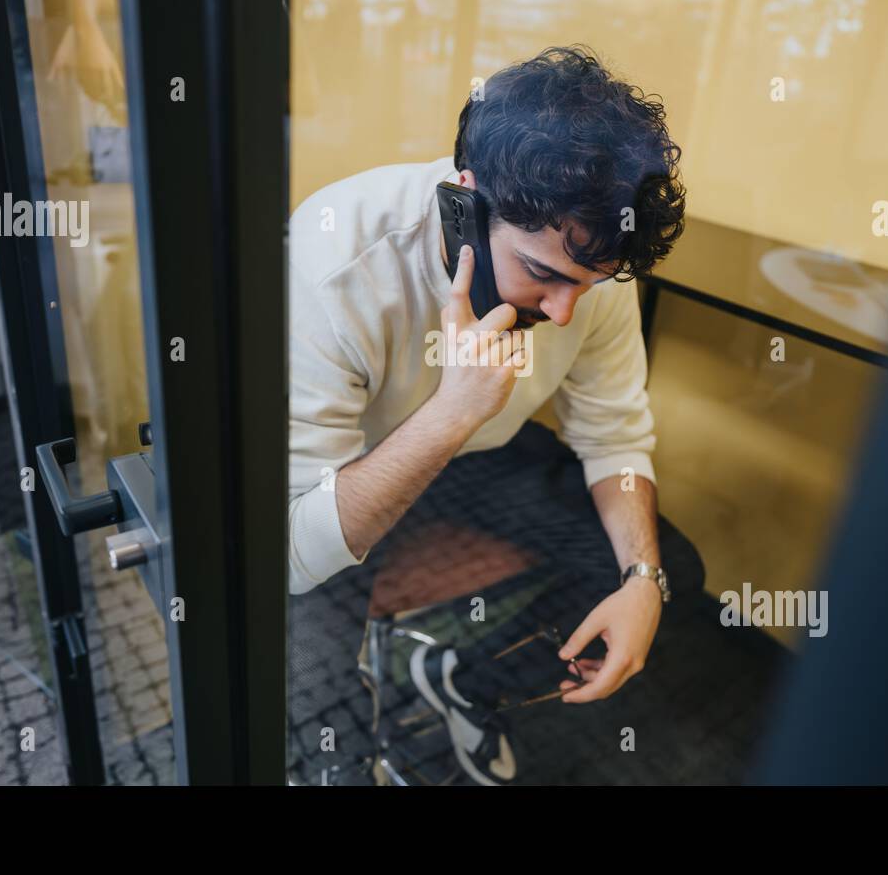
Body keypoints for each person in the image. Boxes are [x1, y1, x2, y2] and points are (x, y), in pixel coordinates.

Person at [287, 46, 699, 784]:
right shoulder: (335, 261)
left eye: (590, 283)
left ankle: (458, 674)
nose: (566, 309)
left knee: (670, 573)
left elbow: (614, 434)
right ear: (464, 198)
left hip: (485, 454)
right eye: (541, 275)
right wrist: (451, 412)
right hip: (351, 475)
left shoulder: (587, 258)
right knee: (312, 693)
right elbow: (291, 550)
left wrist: (642, 579)